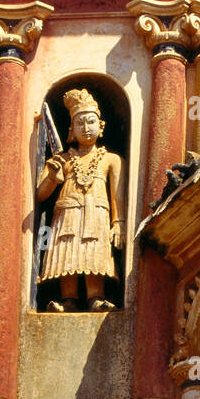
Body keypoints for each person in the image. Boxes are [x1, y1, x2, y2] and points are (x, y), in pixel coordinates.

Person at [37, 88, 125, 312]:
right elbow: (39, 194)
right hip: (67, 214)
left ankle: (95, 297)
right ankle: (69, 299)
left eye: (90, 122)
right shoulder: (62, 159)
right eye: (80, 123)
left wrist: (118, 223)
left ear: (101, 126)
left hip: (96, 213)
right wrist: (54, 179)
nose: (86, 128)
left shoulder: (111, 160)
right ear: (71, 130)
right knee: (67, 251)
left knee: (93, 252)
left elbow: (117, 195)